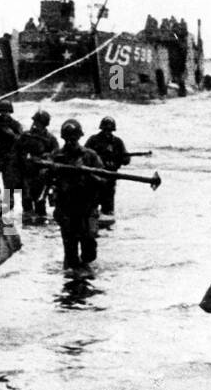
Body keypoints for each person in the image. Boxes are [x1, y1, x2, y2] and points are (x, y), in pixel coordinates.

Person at [45, 119, 106, 270]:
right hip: (66, 208)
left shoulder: (90, 156)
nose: (71, 142)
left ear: (79, 137)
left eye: (74, 138)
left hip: (87, 207)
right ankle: (72, 284)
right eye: (68, 139)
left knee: (89, 246)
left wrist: (86, 171)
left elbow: (104, 180)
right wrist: (53, 170)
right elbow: (43, 177)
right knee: (70, 250)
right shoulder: (56, 156)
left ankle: (85, 268)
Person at [11, 110, 58, 218]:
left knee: (40, 203)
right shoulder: (25, 136)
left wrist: (47, 157)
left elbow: (56, 154)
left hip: (42, 175)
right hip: (26, 173)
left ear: (45, 124)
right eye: (35, 122)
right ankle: (28, 225)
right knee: (26, 201)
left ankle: (40, 225)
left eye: (39, 123)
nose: (36, 125)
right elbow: (15, 152)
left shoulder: (50, 138)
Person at [84, 116, 130, 215]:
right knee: (91, 208)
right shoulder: (93, 140)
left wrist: (119, 158)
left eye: (109, 130)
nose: (107, 133)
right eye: (105, 130)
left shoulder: (117, 142)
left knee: (108, 210)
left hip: (110, 180)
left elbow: (126, 160)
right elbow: (84, 155)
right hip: (94, 180)